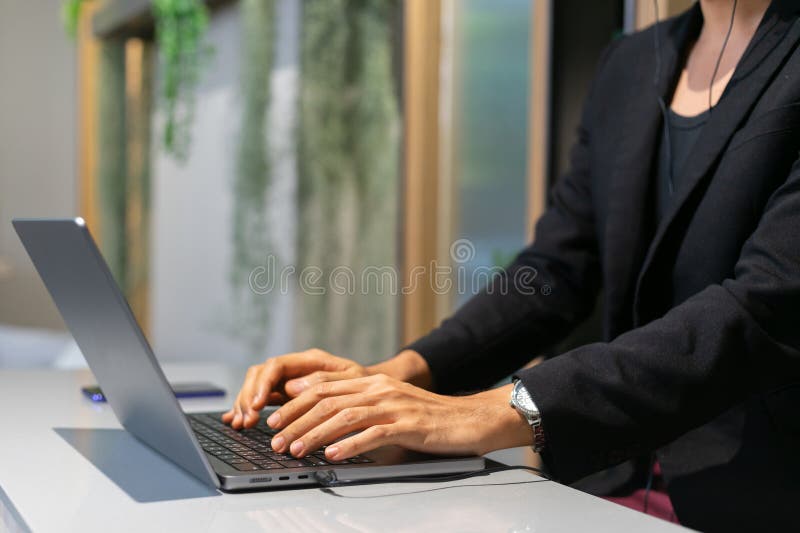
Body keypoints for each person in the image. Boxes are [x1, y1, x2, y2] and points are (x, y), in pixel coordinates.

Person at [223, 0, 800, 529]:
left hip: (754, 496)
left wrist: (505, 408)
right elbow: (555, 271)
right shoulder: (630, 63)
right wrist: (397, 376)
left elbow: (766, 308)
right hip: (601, 489)